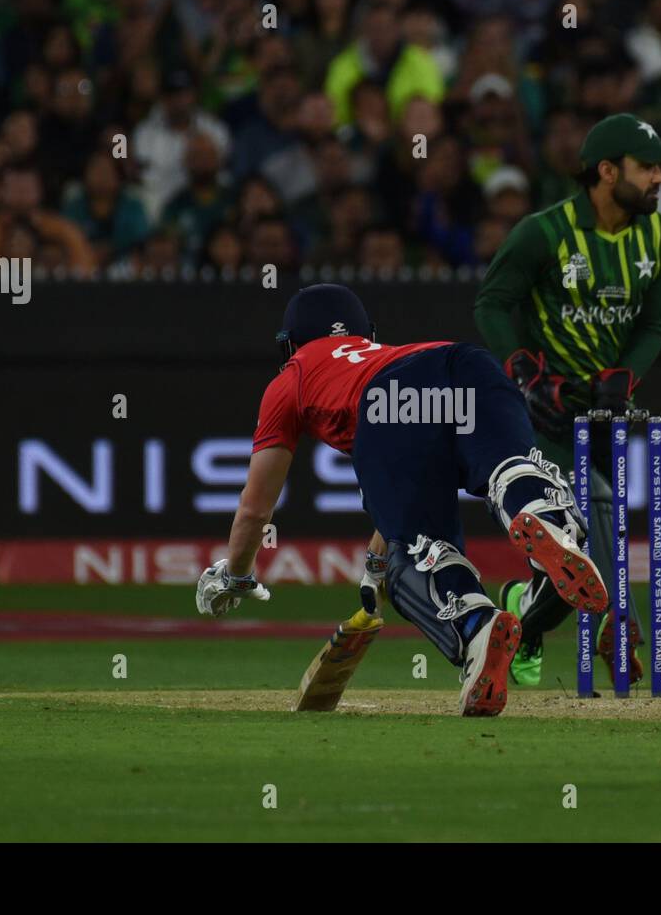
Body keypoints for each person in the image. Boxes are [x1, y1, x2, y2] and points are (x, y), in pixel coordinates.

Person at [195, 284, 609, 717]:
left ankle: (476, 626)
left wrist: (236, 576)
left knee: (419, 554)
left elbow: (256, 508)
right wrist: (374, 560)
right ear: (363, 332)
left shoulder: (291, 378)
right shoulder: (381, 351)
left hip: (386, 400)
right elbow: (408, 471)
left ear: (291, 343)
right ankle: (544, 515)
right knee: (508, 469)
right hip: (463, 364)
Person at [474, 113, 661, 689]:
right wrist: (522, 373)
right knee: (588, 517)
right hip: (543, 410)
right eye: (648, 168)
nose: (659, 180)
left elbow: (655, 324)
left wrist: (626, 376)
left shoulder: (659, 237)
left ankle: (524, 611)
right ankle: (619, 624)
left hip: (604, 409)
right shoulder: (544, 233)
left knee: (577, 543)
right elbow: (491, 304)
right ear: (607, 171)